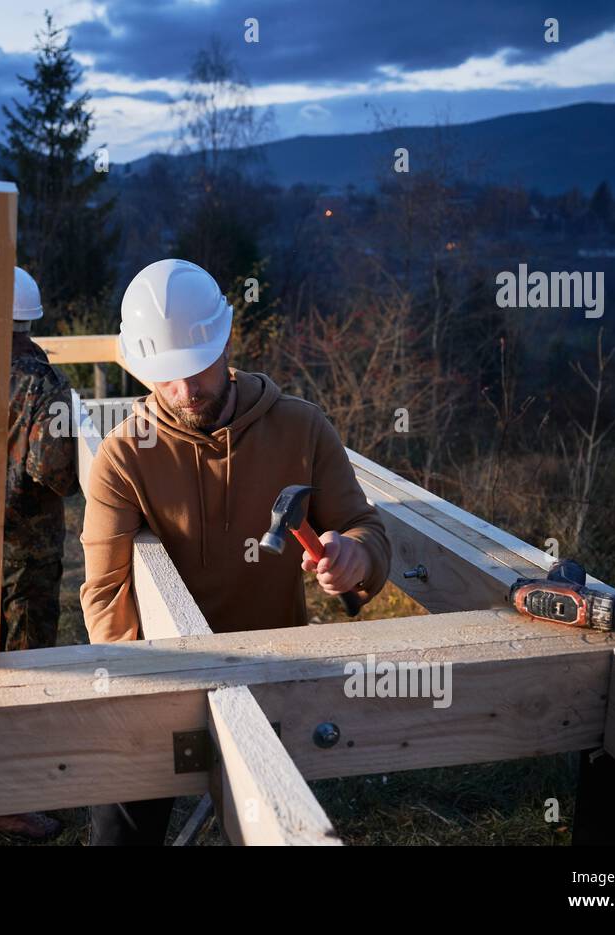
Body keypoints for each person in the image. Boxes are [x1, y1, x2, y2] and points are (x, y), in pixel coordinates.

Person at [80, 258, 391, 845]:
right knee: (120, 825)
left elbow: (363, 527)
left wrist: (355, 556)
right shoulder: (124, 456)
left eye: (196, 369)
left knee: (266, 823)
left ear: (224, 343)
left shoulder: (301, 429)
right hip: (160, 673)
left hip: (272, 668)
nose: (184, 390)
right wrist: (139, 693)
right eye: (165, 377)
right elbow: (104, 591)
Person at [0, 266, 78, 839]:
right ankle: (9, 801)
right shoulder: (41, 385)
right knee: (21, 667)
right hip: (25, 552)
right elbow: (55, 474)